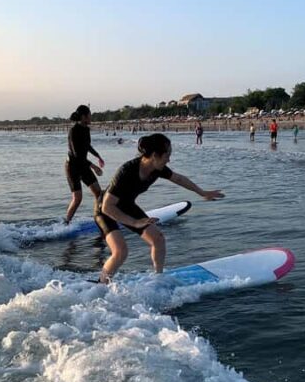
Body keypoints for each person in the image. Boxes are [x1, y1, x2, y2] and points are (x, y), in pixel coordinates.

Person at [94, 133, 224, 283]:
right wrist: (135, 223)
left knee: (158, 239)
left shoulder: (157, 168)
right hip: (105, 209)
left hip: (127, 205)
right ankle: (101, 284)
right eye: (166, 155)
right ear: (155, 155)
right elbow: (107, 207)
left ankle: (158, 279)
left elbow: (179, 178)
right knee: (120, 251)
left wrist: (202, 192)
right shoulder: (126, 171)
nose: (169, 159)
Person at [65, 104, 105, 224]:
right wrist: (93, 166)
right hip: (72, 166)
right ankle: (66, 222)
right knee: (77, 198)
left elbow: (87, 146)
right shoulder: (73, 131)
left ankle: (98, 216)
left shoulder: (86, 129)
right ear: (83, 117)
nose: (91, 118)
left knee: (98, 193)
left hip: (83, 165)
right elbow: (77, 154)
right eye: (89, 116)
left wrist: (98, 156)